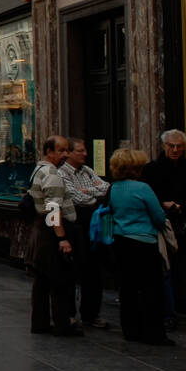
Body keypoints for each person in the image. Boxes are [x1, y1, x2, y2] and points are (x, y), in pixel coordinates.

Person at [106, 147, 172, 346]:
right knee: (151, 289)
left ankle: (131, 329)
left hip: (121, 241)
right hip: (144, 242)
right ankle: (153, 333)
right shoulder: (143, 188)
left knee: (128, 288)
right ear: (135, 167)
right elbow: (159, 216)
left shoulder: (113, 188)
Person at [144, 130, 186, 329]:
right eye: (171, 146)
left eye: (179, 146)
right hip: (160, 227)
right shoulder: (152, 169)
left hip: (184, 226)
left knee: (176, 269)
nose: (175, 150)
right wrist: (164, 204)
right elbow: (148, 198)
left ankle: (173, 308)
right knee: (164, 269)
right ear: (163, 146)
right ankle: (167, 312)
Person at [27, 136, 82, 336]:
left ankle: (40, 322)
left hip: (42, 229)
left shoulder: (39, 169)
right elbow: (53, 208)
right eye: (61, 150)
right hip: (51, 231)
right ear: (49, 151)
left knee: (42, 280)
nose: (65, 154)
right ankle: (62, 324)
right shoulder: (52, 173)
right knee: (59, 281)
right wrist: (62, 238)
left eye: (67, 150)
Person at [60, 138, 110, 328]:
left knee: (93, 272)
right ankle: (70, 313)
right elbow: (76, 198)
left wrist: (88, 190)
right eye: (80, 151)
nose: (85, 154)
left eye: (85, 150)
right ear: (69, 153)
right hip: (74, 227)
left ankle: (91, 313)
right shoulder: (62, 172)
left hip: (93, 228)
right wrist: (94, 195)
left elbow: (106, 188)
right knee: (72, 272)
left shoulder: (87, 170)